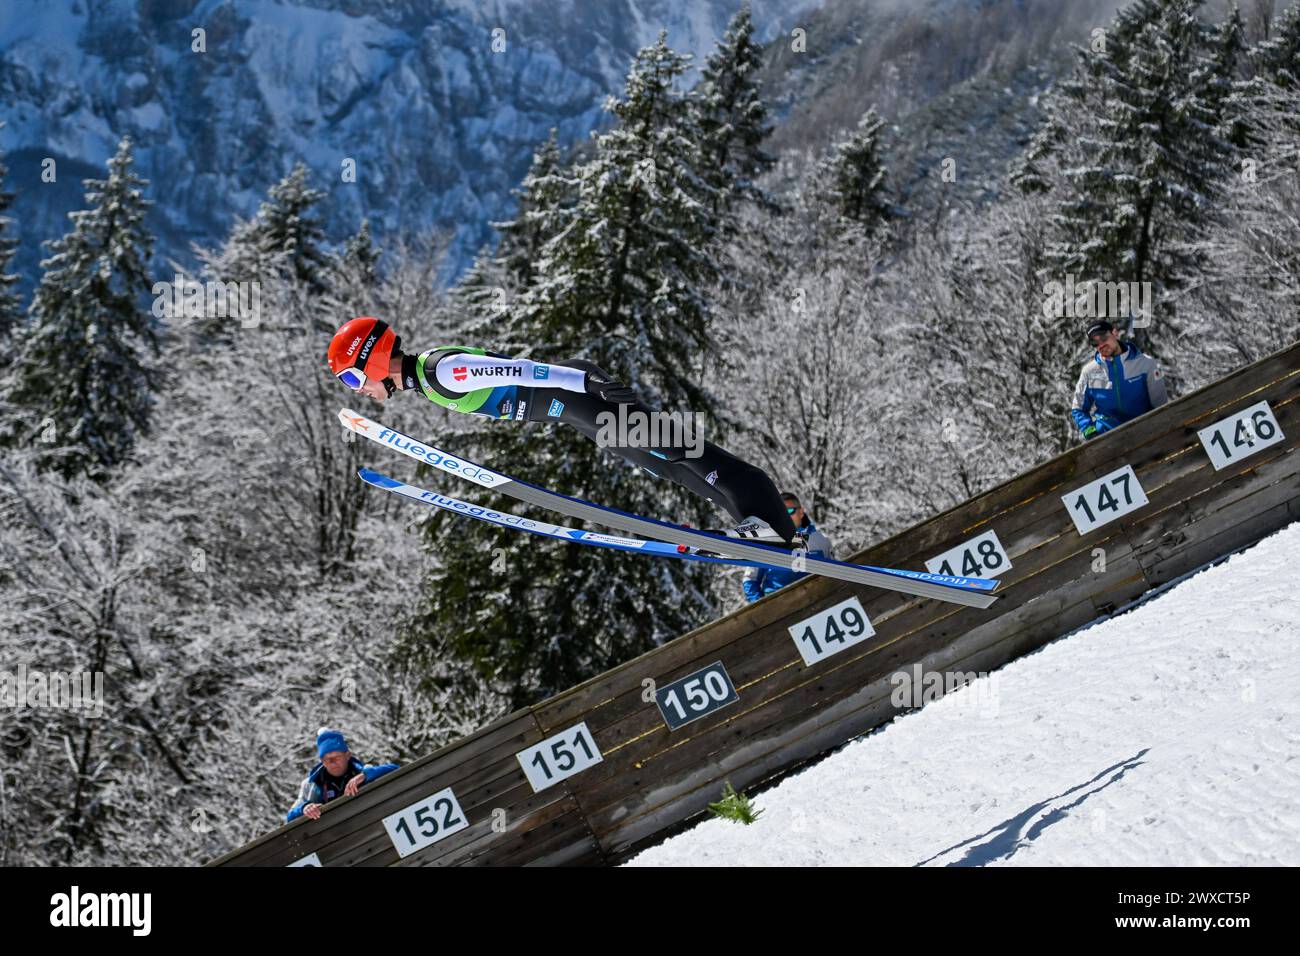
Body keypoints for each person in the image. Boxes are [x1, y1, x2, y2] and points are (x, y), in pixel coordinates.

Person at [327, 316, 799, 544]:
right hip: (574, 410)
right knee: (669, 464)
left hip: (578, 398)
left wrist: (591, 382)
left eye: (353, 377)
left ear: (374, 358)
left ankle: (767, 513)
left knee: (679, 451)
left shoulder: (441, 373)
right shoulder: (429, 380)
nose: (358, 389)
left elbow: (523, 371)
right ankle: (764, 525)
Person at [1070, 320, 1168, 440]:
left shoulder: (1145, 364)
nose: (1101, 345)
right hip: (1107, 436)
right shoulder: (1089, 372)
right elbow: (1078, 408)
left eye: (1103, 337)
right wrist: (1089, 429)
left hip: (1144, 431)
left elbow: (1160, 404)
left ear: (1114, 333)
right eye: (1094, 342)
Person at [285, 728, 400, 823]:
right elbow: (290, 817)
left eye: (337, 757)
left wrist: (365, 775)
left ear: (347, 755)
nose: (332, 763)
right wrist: (305, 808)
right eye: (327, 759)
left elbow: (395, 769)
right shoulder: (312, 784)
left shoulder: (362, 771)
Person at [742, 493, 834, 602]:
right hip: (779, 607)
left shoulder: (820, 540)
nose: (786, 516)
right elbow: (750, 580)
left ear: (801, 512)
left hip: (817, 601)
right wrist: (762, 607)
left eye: (790, 511)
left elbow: (832, 574)